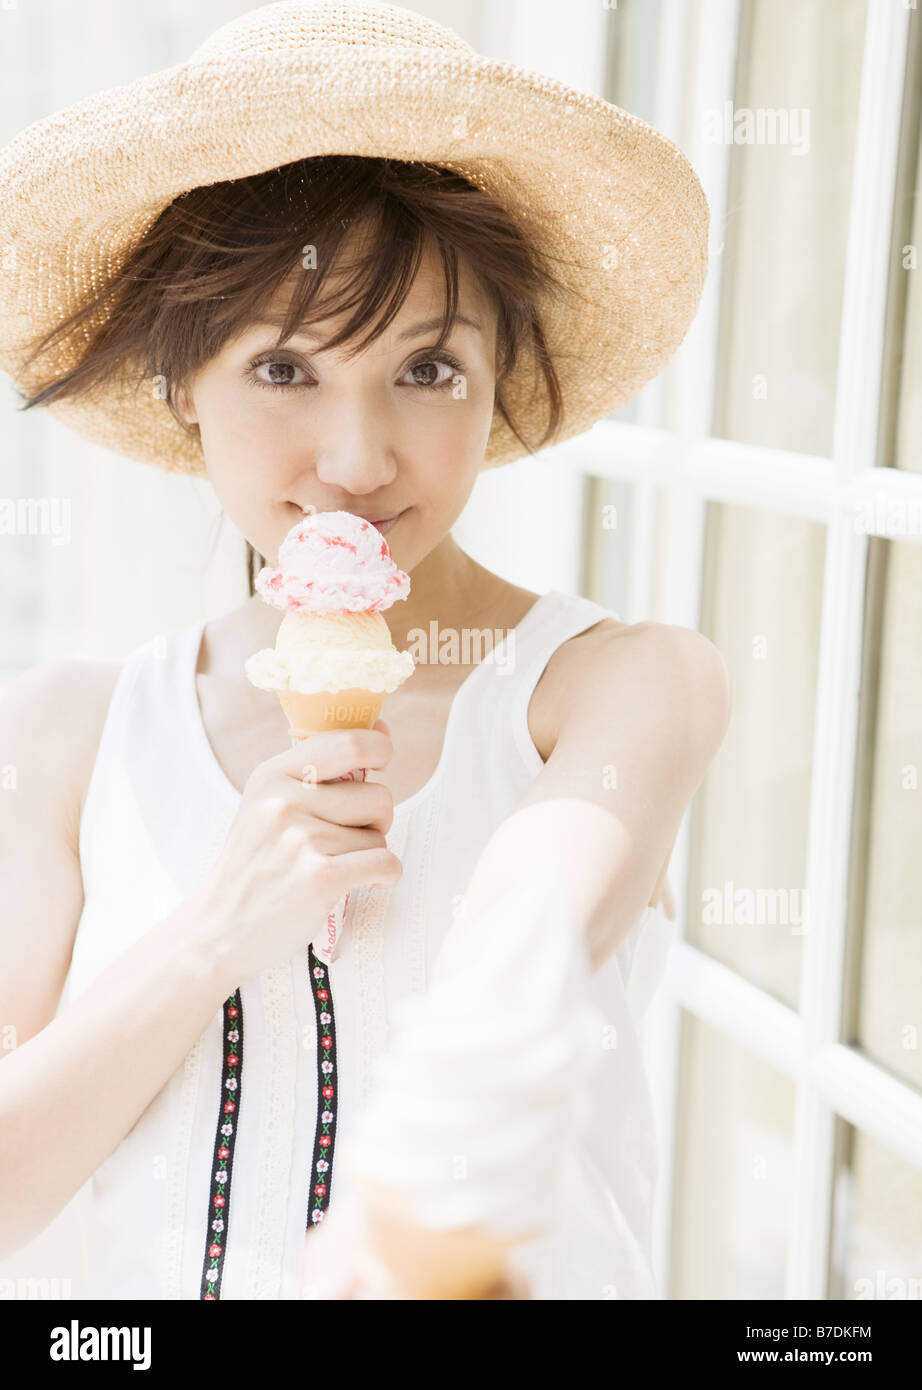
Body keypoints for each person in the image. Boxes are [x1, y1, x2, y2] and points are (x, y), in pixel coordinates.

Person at [0, 1, 728, 1300]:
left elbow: (531, 930)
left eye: (427, 370)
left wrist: (414, 1207)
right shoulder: (71, 731)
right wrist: (217, 927)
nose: (355, 459)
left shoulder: (615, 685)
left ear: (500, 377)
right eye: (283, 369)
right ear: (182, 384)